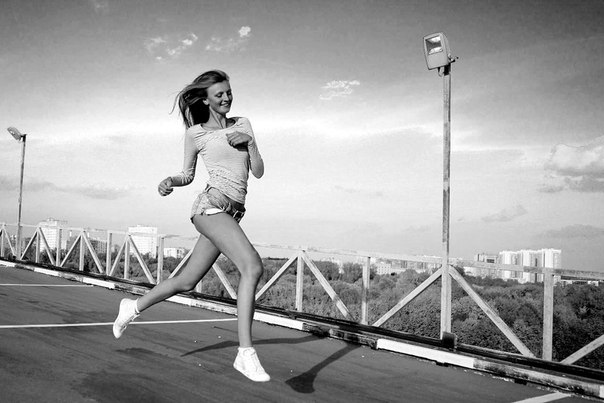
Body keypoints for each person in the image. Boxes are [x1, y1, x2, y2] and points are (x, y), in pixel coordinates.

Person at [112, 69, 270, 382]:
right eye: (219, 94)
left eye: (228, 92)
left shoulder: (243, 124)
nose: (226, 98)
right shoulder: (195, 133)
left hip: (232, 214)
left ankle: (132, 307)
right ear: (205, 99)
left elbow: (259, 171)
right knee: (252, 267)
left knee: (186, 281)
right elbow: (187, 175)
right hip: (210, 207)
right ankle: (245, 353)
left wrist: (250, 142)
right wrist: (170, 181)